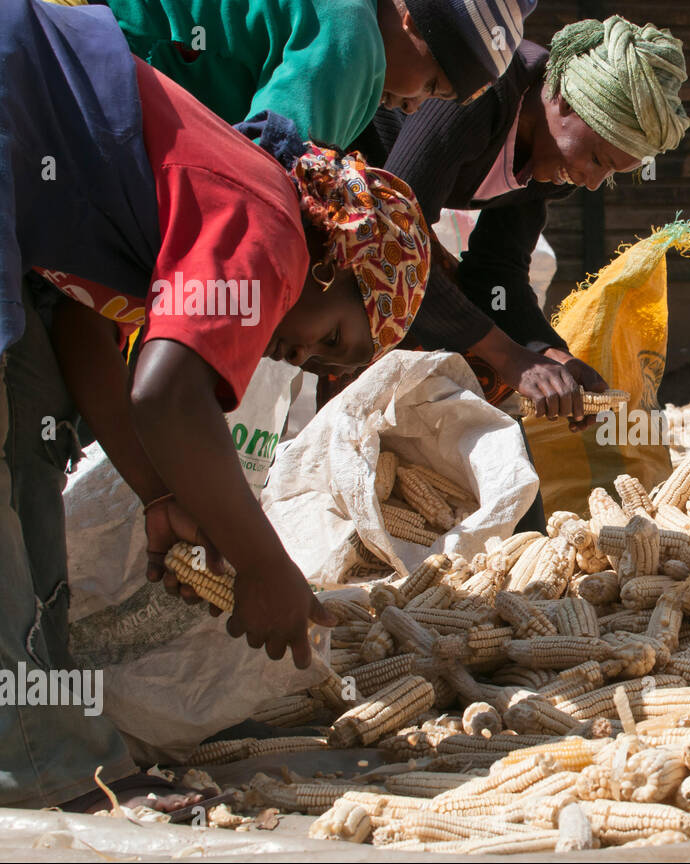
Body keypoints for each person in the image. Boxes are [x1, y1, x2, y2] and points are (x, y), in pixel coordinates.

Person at [1, 0, 432, 812]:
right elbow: (166, 393)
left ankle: (49, 745)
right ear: (334, 264)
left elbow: (91, 348)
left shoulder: (226, 213)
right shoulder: (271, 224)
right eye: (336, 340)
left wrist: (161, 494)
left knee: (25, 448)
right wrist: (267, 566)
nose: (305, 359)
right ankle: (43, 766)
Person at [349, 15, 690, 424]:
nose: (594, 182)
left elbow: (496, 273)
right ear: (563, 101)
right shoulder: (481, 91)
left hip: (388, 235)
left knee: (486, 370)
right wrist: (512, 358)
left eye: (612, 173)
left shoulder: (551, 165)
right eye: (598, 159)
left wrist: (548, 351)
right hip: (349, 221)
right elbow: (392, 247)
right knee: (378, 338)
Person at [49, 0, 537, 151]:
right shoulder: (356, 43)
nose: (413, 106)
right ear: (411, 18)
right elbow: (266, 175)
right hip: (76, 80)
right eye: (432, 85)